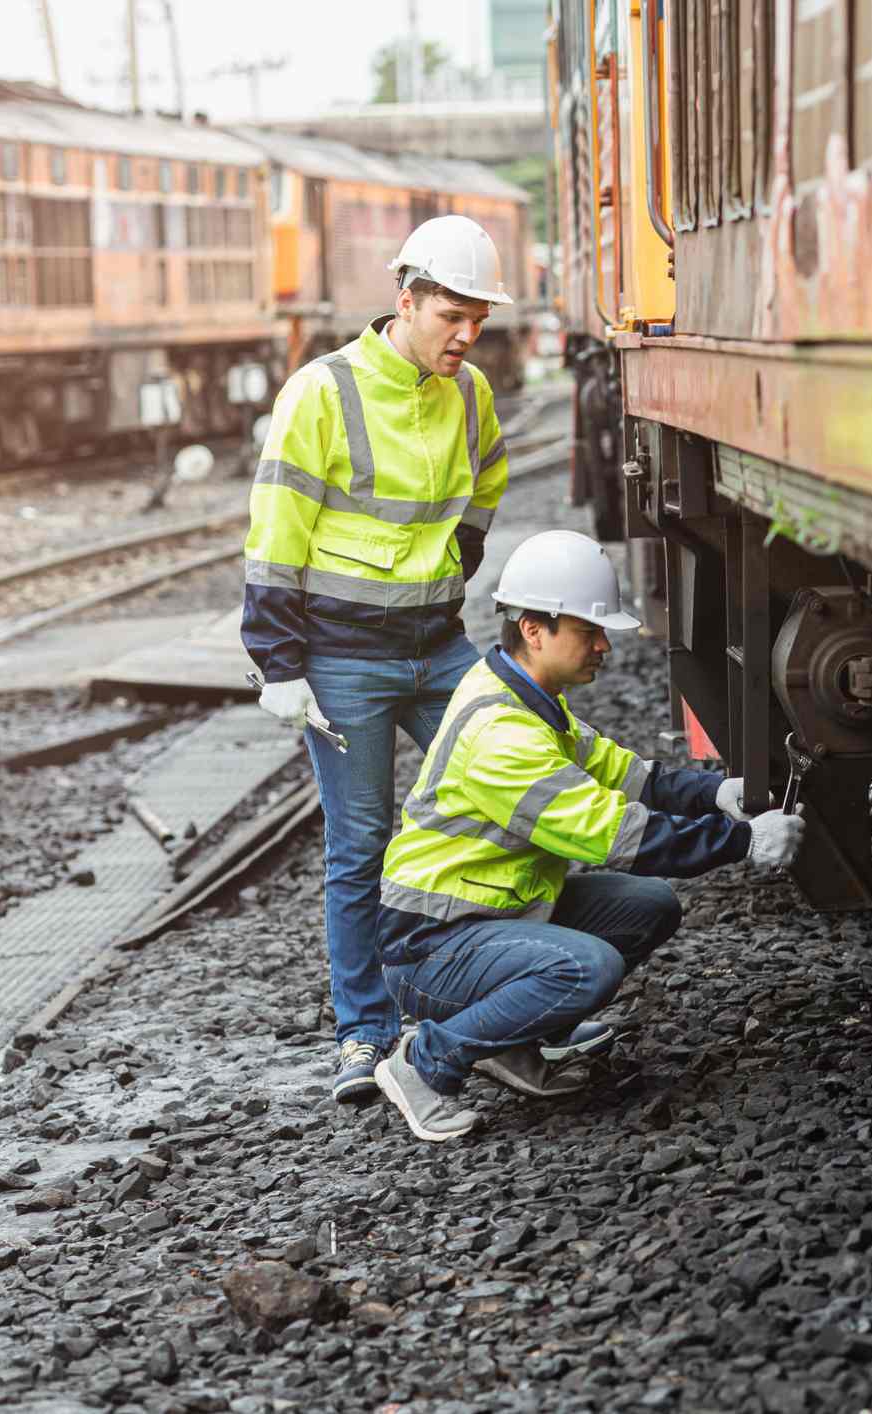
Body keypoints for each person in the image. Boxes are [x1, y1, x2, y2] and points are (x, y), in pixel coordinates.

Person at [369, 530, 808, 1142]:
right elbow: (616, 835)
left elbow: (623, 773)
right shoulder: (503, 736)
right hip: (431, 946)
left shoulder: (528, 698)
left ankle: (510, 1040)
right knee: (586, 968)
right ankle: (426, 1064)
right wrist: (743, 844)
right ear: (533, 629)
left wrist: (713, 794)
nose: (604, 645)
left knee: (648, 905)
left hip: (489, 916)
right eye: (588, 630)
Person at [241, 215, 515, 1104]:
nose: (466, 335)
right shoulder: (321, 393)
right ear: (407, 302)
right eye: (451, 316)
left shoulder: (469, 395)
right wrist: (277, 663)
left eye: (479, 319)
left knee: (508, 801)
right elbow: (278, 529)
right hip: (343, 662)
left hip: (437, 646)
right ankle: (364, 1033)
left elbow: (486, 482)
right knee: (361, 848)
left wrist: (450, 567)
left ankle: (501, 998)